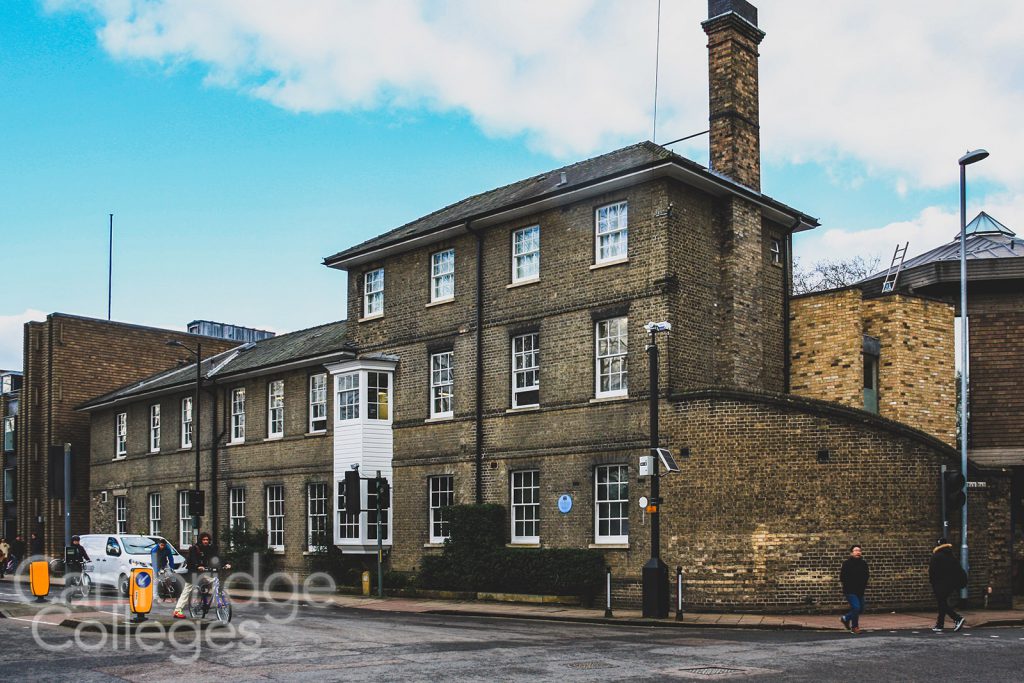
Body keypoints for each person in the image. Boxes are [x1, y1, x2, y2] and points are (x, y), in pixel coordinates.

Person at [173, 532, 230, 618]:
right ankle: (177, 610)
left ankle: (217, 602)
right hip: (194, 572)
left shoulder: (210, 548)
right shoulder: (194, 548)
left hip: (204, 571)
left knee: (215, 581)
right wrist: (198, 566)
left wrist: (225, 564)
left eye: (207, 540)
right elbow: (193, 559)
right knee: (187, 590)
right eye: (204, 540)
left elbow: (217, 557)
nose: (206, 541)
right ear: (200, 540)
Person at [929, 538, 967, 632]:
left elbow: (932, 572)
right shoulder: (951, 555)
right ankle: (940, 624)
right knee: (942, 602)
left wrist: (933, 583)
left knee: (942, 603)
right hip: (951, 584)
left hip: (940, 584)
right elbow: (958, 570)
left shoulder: (936, 556)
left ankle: (957, 618)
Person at [839, 544, 869, 634]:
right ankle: (855, 627)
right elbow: (842, 577)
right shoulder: (846, 564)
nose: (858, 552)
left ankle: (845, 618)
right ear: (851, 553)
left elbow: (866, 576)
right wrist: (849, 585)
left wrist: (863, 585)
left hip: (860, 590)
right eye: (855, 550)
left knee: (861, 609)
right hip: (850, 590)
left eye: (859, 550)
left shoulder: (864, 563)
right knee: (856, 607)